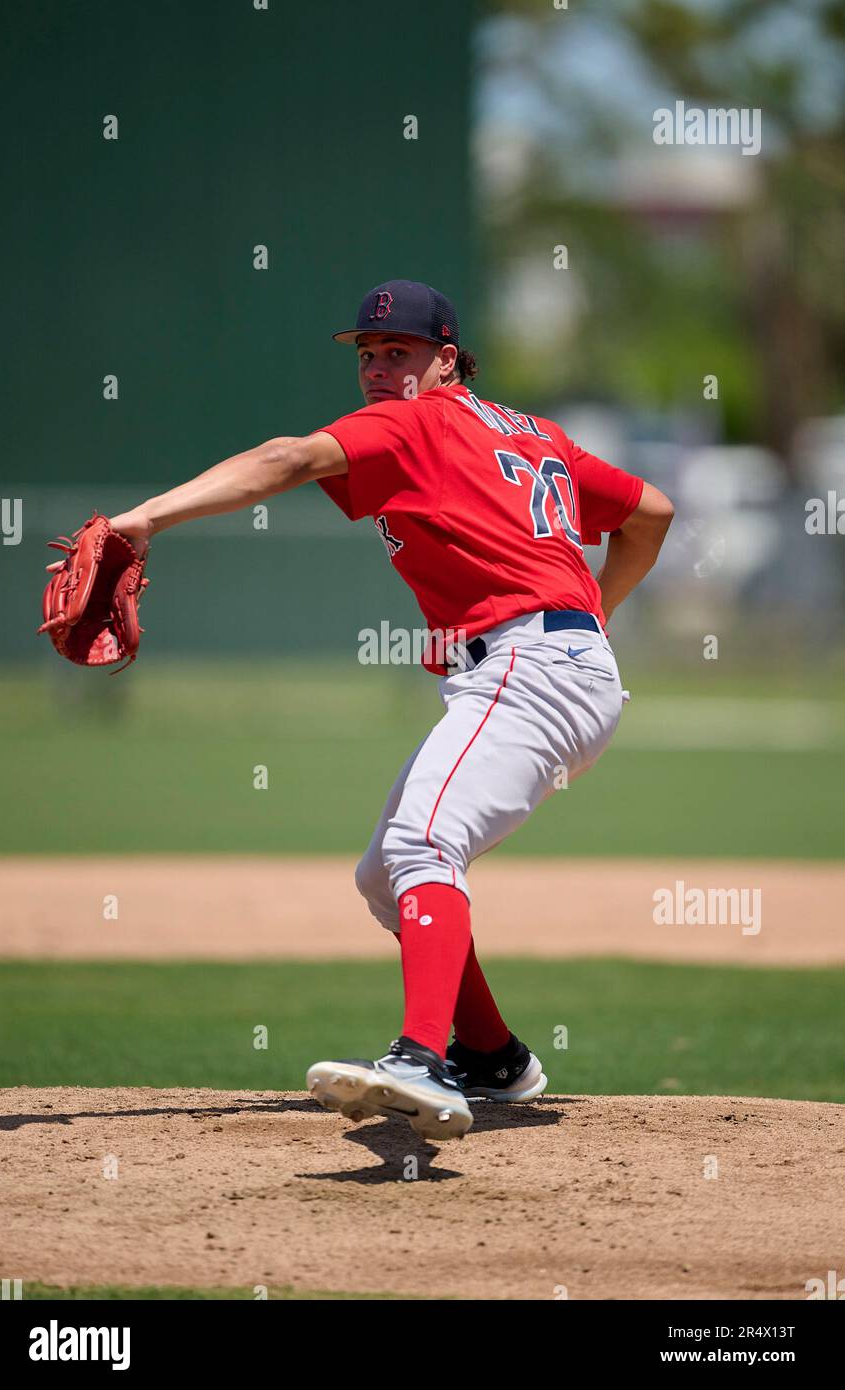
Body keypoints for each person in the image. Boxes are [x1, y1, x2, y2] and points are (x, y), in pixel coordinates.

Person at [108, 279, 674, 1141]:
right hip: (546, 664)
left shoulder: (420, 419)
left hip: (530, 666)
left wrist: (144, 518)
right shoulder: (535, 433)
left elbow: (286, 459)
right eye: (367, 354)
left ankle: (420, 1060)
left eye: (399, 353)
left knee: (422, 845)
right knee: (386, 877)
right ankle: (491, 1055)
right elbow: (652, 512)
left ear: (446, 360)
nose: (377, 368)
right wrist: (593, 615)